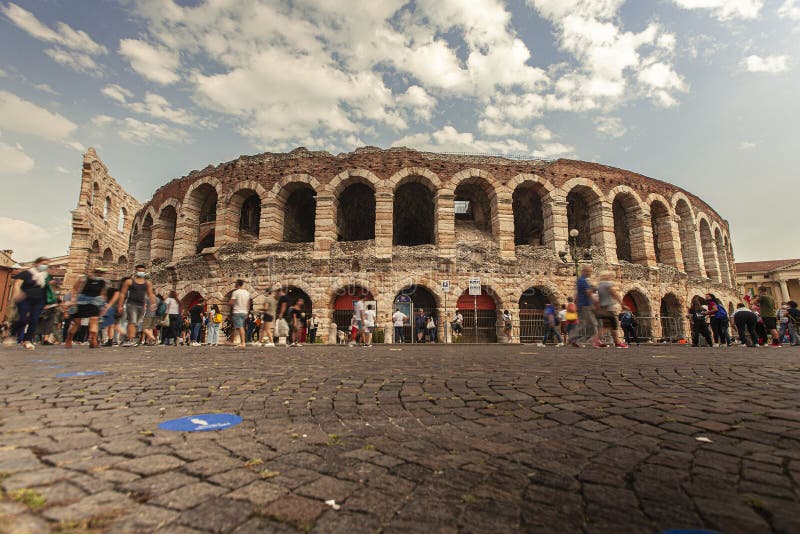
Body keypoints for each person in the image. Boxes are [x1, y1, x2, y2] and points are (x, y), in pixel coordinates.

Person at [11, 257, 49, 350]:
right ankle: (11, 334)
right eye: (43, 263)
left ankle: (27, 340)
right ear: (36, 263)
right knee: (23, 319)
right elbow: (17, 284)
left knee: (34, 320)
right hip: (25, 299)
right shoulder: (26, 273)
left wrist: (48, 301)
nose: (45, 266)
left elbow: (48, 289)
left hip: (39, 300)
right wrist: (17, 294)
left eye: (47, 264)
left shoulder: (45, 276)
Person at [64, 267, 108, 349]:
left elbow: (103, 293)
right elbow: (74, 289)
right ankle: (69, 339)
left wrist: (103, 304)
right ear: (94, 272)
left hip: (94, 303)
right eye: (98, 272)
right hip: (81, 302)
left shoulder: (103, 282)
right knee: (76, 323)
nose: (100, 274)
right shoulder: (83, 279)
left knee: (94, 321)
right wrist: (73, 299)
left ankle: (93, 340)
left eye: (101, 273)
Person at [117, 265, 156, 347]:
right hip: (131, 304)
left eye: (142, 271)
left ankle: (129, 338)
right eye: (139, 270)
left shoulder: (147, 283)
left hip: (141, 305)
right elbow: (122, 294)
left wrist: (153, 303)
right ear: (136, 271)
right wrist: (120, 305)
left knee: (136, 323)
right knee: (132, 321)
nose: (141, 272)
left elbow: (150, 294)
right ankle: (131, 339)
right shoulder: (129, 282)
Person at [595, 271, 628, 349]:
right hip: (609, 308)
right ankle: (616, 343)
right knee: (614, 325)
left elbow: (598, 298)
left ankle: (615, 342)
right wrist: (622, 303)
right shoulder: (607, 284)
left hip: (603, 308)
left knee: (607, 326)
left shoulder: (599, 285)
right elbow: (614, 293)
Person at [571, 265, 602, 348]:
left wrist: (575, 303)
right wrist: (594, 287)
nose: (590, 273)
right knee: (593, 324)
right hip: (586, 305)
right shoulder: (583, 281)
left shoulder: (580, 280)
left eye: (590, 271)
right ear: (584, 271)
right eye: (588, 271)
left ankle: (576, 339)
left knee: (584, 323)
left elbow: (577, 294)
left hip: (583, 304)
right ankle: (594, 340)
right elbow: (588, 293)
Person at [229, 279, 250, 348]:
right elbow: (248, 303)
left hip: (237, 311)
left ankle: (243, 343)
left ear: (237, 284)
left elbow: (231, 302)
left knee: (240, 327)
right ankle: (234, 340)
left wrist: (230, 303)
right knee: (238, 327)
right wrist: (247, 312)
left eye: (235, 283)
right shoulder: (247, 292)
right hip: (244, 312)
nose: (234, 284)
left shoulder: (236, 292)